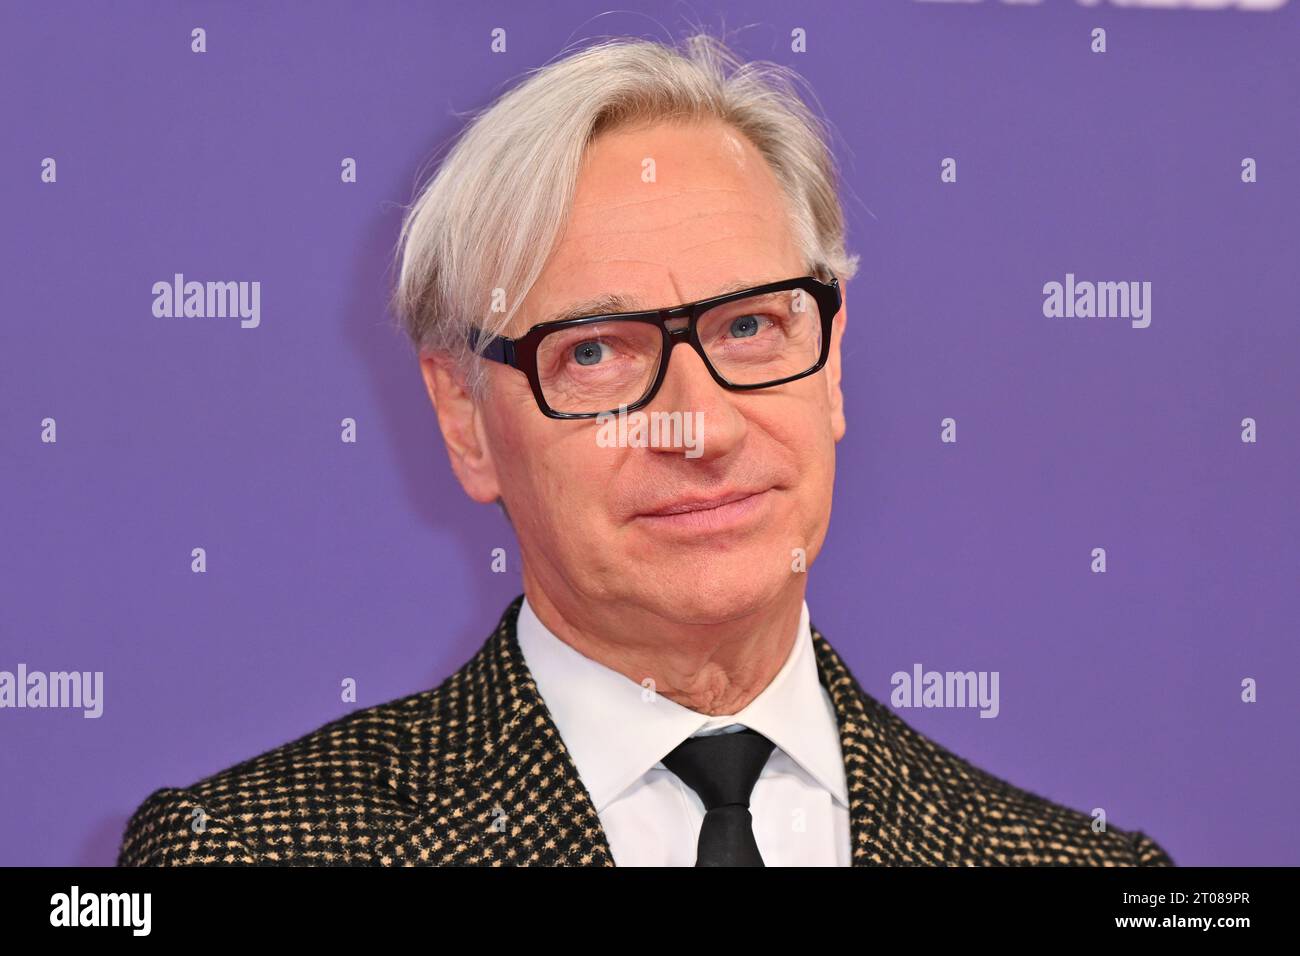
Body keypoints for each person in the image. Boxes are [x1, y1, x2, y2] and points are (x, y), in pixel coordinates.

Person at [118, 33, 1172, 867]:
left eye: (751, 327)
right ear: (465, 418)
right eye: (594, 352)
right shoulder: (246, 848)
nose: (701, 428)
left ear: (834, 361)